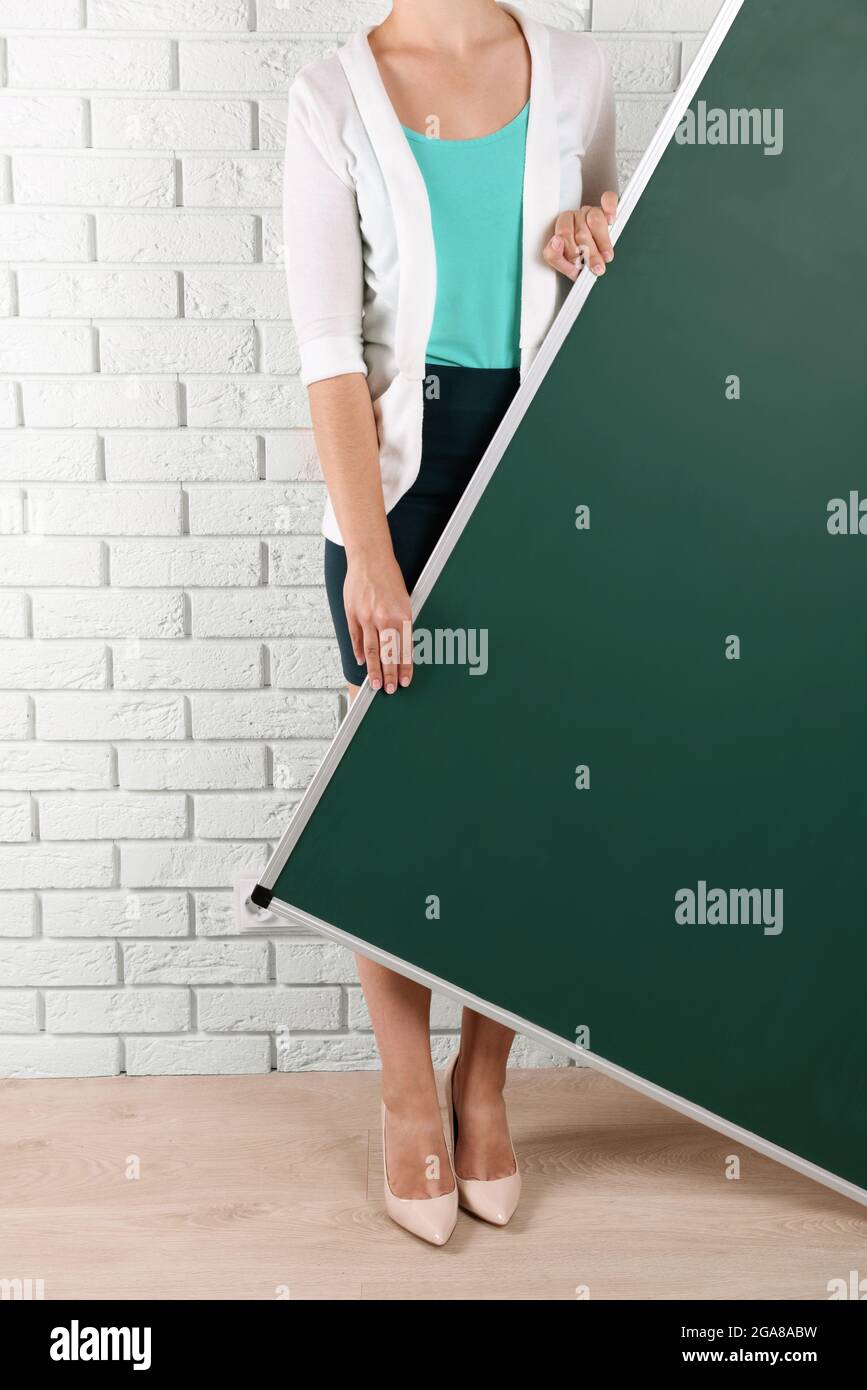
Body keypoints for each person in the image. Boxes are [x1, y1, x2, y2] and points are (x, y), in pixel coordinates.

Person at [283, 0, 618, 1244]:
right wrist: (369, 556)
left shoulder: (579, 69)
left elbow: (607, 273)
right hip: (399, 499)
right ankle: (409, 1093)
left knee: (527, 807)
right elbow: (327, 353)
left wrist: (590, 233)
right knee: (401, 809)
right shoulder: (330, 97)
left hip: (545, 485)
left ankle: (487, 1085)